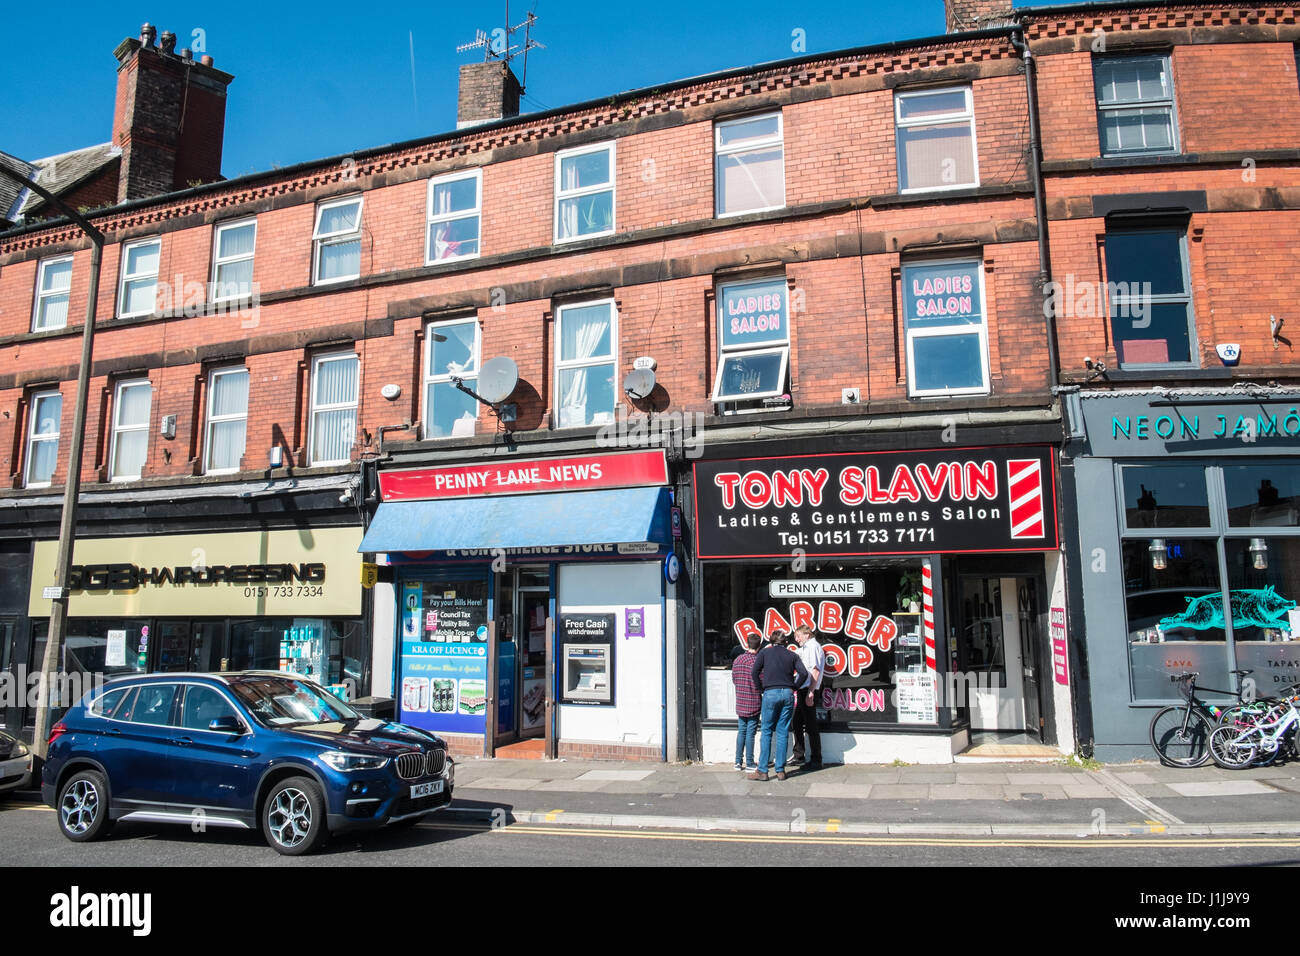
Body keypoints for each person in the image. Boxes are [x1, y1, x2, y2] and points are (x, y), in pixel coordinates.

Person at [748, 632, 808, 782]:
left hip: (770, 693)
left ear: (771, 641)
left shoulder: (764, 653)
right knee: (783, 731)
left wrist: (761, 688)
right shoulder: (792, 655)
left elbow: (754, 672)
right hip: (787, 693)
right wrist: (794, 687)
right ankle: (780, 770)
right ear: (785, 642)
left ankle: (762, 770)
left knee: (767, 730)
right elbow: (804, 673)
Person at [789, 624, 825, 769]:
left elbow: (815, 671)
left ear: (807, 635)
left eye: (798, 636)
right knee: (797, 722)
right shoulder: (806, 648)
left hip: (809, 689)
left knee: (811, 726)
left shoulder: (812, 647)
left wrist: (810, 691)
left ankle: (816, 759)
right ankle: (799, 755)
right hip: (805, 689)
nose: (796, 639)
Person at [731, 634, 762, 771]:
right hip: (754, 700)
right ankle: (749, 762)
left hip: (741, 700)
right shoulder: (757, 662)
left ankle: (738, 762)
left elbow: (734, 679)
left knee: (741, 731)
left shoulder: (738, 660)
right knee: (750, 732)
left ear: (746, 643)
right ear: (759, 646)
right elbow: (761, 680)